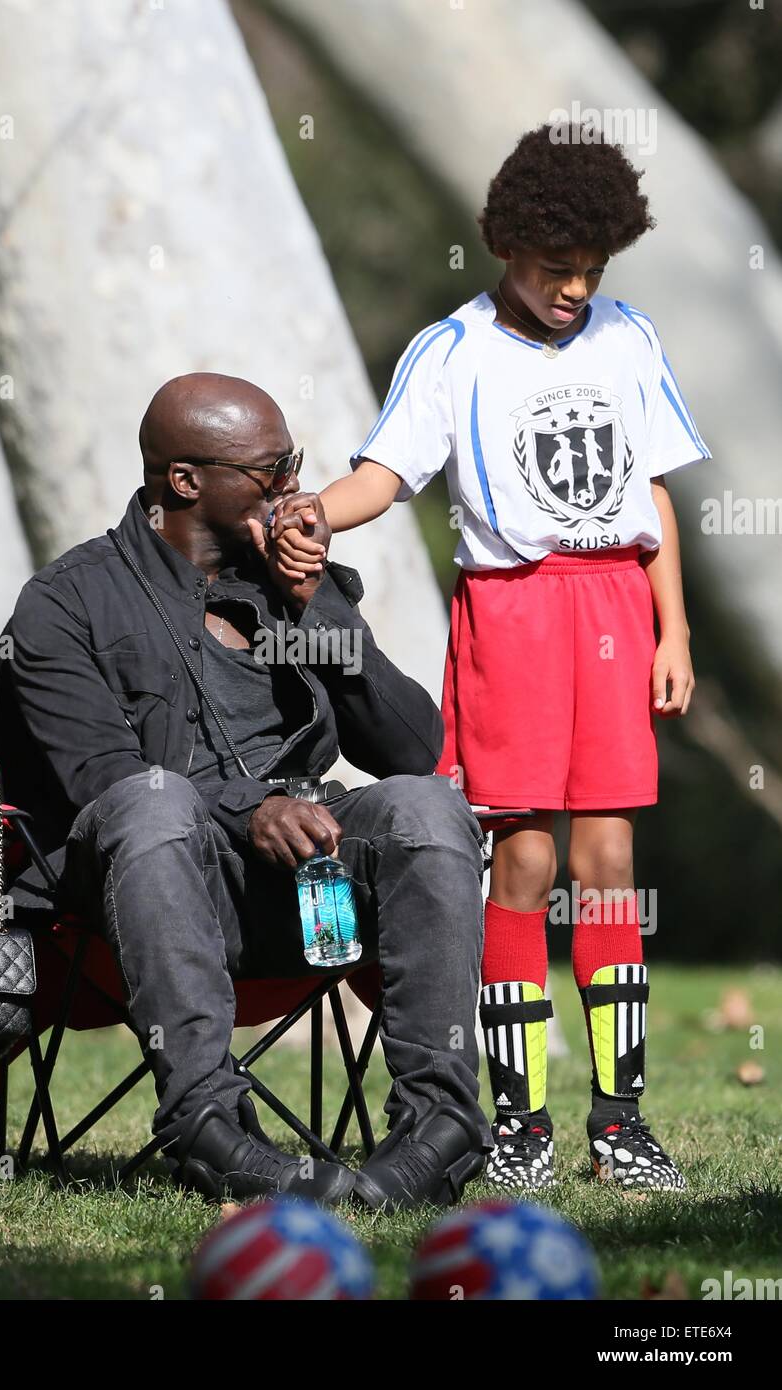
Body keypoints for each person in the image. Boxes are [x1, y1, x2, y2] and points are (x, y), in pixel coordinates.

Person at [270, 125, 710, 1193]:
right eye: (557, 268)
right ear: (504, 246)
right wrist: (314, 512)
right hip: (512, 614)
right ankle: (518, 1122)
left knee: (608, 861)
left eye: (591, 272)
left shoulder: (629, 338)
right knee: (523, 860)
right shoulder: (452, 350)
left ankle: (621, 1120)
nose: (574, 289)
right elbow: (386, 474)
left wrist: (675, 628)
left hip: (614, 606)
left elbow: (652, 490)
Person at [0, 372, 493, 1211]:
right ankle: (210, 1125)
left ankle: (437, 1132)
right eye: (271, 472)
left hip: (309, 894)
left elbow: (413, 748)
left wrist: (313, 611)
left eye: (294, 464)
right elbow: (103, 782)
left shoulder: (299, 587)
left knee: (428, 807)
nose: (293, 492)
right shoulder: (65, 603)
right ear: (185, 481)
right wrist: (249, 807)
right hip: (153, 901)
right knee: (152, 800)